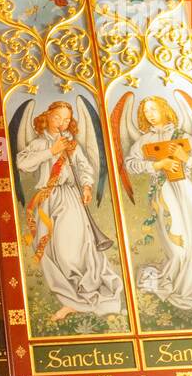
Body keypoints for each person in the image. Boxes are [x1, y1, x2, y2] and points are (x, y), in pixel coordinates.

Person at [16, 100, 125, 322]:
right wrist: (50, 151)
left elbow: (84, 166)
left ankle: (89, 295)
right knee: (48, 251)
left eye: (66, 119)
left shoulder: (71, 143)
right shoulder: (38, 144)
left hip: (68, 198)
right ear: (46, 117)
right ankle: (71, 301)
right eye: (57, 118)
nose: (62, 123)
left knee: (70, 249)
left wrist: (86, 186)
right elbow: (23, 164)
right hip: (46, 199)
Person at [123, 96, 192, 309]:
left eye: (153, 109)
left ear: (165, 109)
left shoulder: (183, 137)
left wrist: (185, 157)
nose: (150, 115)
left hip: (187, 190)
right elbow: (130, 165)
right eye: (146, 112)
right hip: (164, 194)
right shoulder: (144, 142)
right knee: (180, 244)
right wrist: (156, 165)